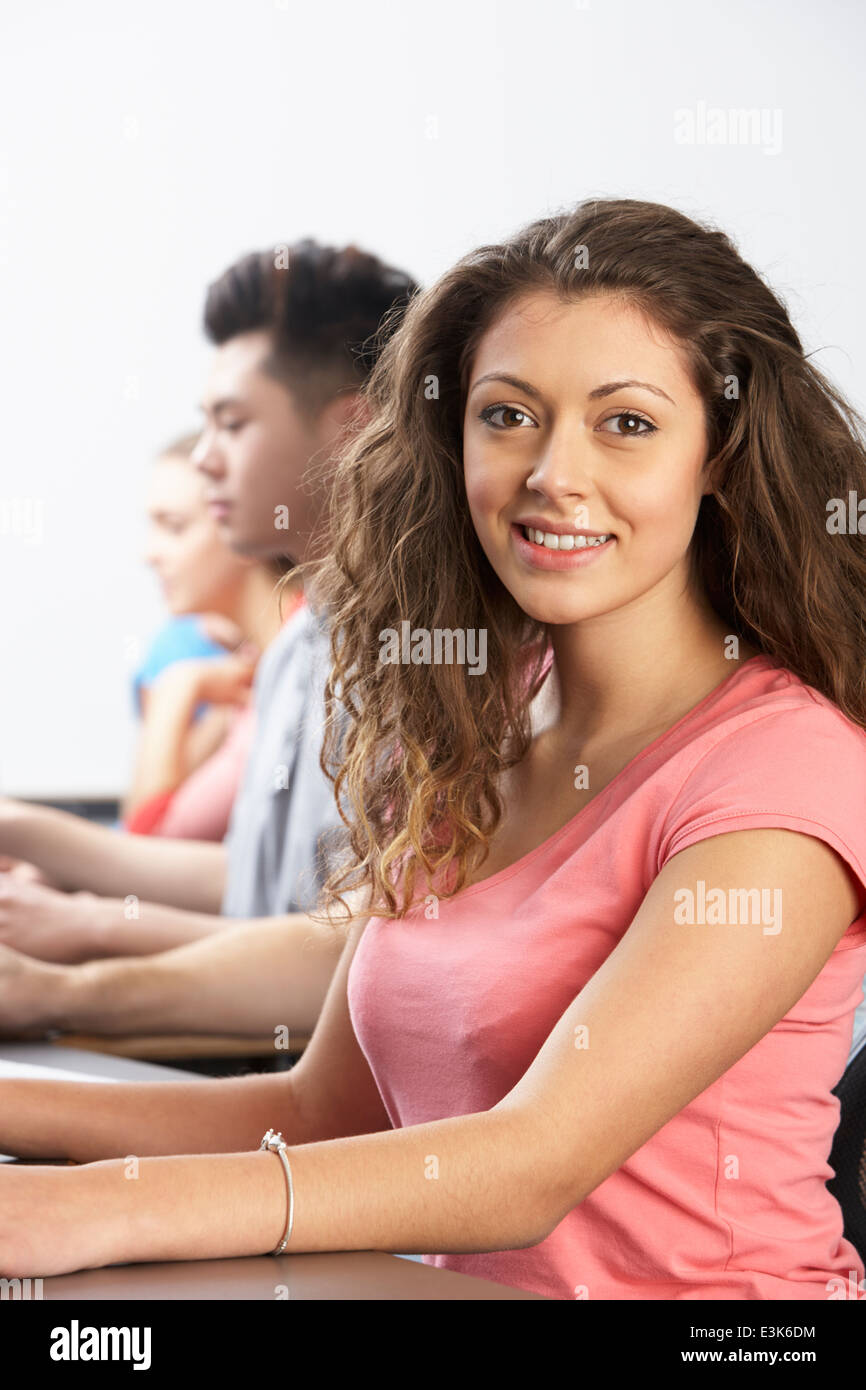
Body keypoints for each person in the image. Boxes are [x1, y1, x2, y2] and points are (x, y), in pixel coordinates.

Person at [3, 196, 866, 1301]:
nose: (552, 471)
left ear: (718, 454)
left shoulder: (787, 768)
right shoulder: (479, 719)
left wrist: (102, 1202)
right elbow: (307, 1115)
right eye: (507, 415)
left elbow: (525, 1167)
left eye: (626, 423)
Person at [0, 238, 418, 1065]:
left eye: (231, 422)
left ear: (349, 430)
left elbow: (360, 956)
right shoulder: (306, 638)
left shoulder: (426, 656)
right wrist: (21, 832)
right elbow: (258, 889)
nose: (204, 457)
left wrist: (78, 948)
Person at [125, 430, 301, 839]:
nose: (149, 554)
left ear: (245, 527)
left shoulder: (303, 654)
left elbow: (152, 842)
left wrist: (176, 689)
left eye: (174, 527)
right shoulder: (260, 661)